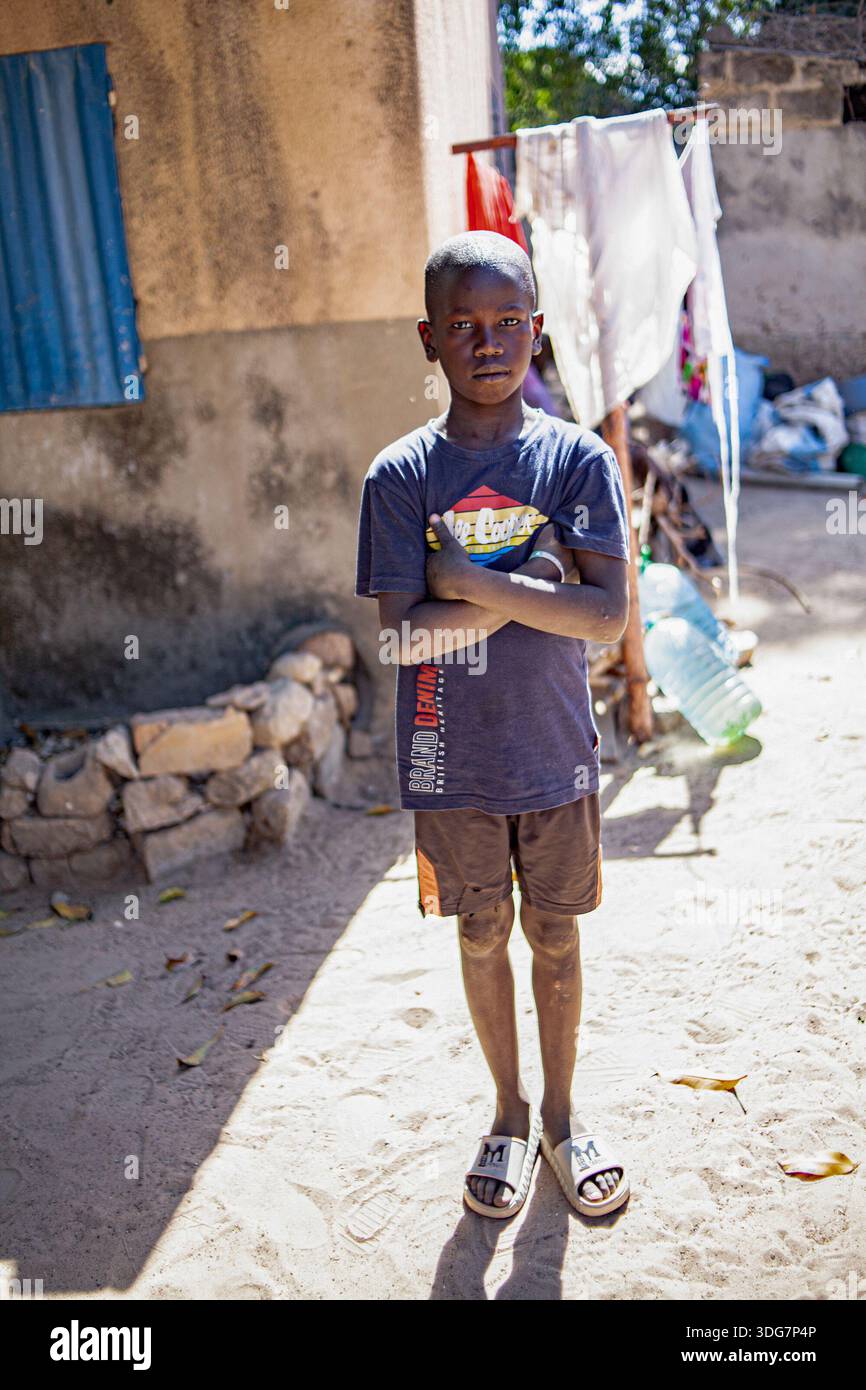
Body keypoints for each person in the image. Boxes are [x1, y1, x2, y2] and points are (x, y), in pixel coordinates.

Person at [354, 230, 631, 1220]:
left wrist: (464, 582)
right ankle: (507, 1116)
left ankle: (562, 1116)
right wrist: (531, 583)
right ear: (428, 340)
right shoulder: (398, 477)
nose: (485, 342)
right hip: (449, 756)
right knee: (481, 931)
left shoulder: (575, 460)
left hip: (552, 748)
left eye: (506, 321)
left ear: (536, 332)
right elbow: (402, 641)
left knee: (554, 932)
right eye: (461, 326)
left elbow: (605, 617)